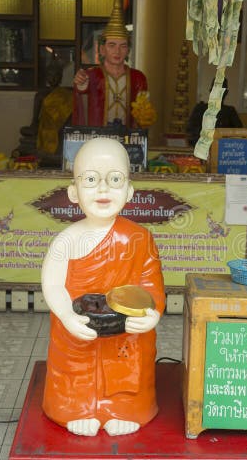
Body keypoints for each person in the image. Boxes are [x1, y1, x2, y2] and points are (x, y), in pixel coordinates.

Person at [41, 137, 165, 437]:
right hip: (79, 328)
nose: (103, 189)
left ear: (129, 190)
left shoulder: (139, 238)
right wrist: (68, 317)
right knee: (75, 366)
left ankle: (123, 408)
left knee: (131, 362)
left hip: (125, 330)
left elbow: (151, 283)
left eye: (115, 179)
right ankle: (78, 407)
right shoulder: (67, 239)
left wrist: (152, 313)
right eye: (92, 179)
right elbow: (53, 284)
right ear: (73, 192)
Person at [72, 0, 148, 128]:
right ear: (102, 49)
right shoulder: (92, 75)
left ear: (128, 50)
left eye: (123, 46)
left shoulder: (138, 78)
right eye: (111, 45)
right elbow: (82, 95)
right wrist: (81, 85)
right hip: (98, 139)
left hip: (127, 138)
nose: (117, 51)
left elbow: (142, 115)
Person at [186, 78, 243, 145]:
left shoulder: (230, 111)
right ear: (210, 91)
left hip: (223, 150)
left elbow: (240, 134)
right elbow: (190, 130)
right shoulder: (200, 109)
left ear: (226, 93)